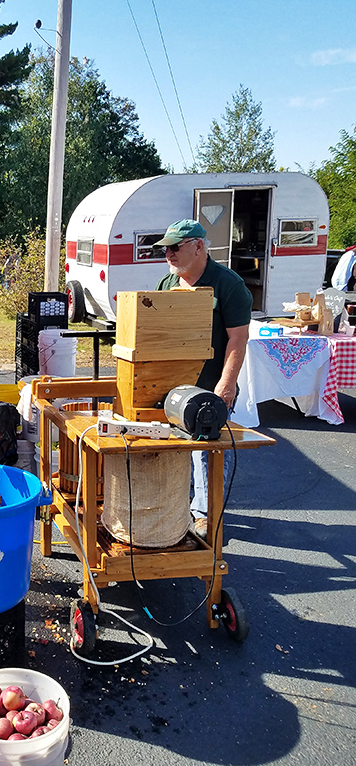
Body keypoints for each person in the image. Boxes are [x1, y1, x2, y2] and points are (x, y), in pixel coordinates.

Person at [154, 219, 252, 540]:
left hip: (210, 386)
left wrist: (227, 383)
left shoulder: (229, 285)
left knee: (204, 450)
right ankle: (179, 507)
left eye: (174, 247)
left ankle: (205, 517)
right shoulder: (167, 284)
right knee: (172, 448)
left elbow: (238, 339)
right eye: (165, 248)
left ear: (199, 247)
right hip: (173, 385)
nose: (168, 253)